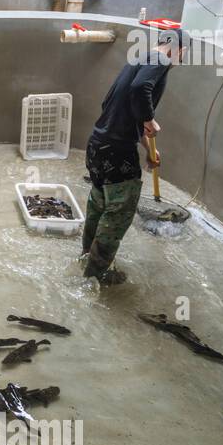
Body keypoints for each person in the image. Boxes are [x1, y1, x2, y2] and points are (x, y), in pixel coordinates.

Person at [81, 28, 183, 281]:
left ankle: (85, 258)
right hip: (118, 153)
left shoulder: (137, 60)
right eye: (183, 54)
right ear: (177, 49)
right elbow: (140, 90)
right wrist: (149, 118)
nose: (181, 60)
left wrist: (150, 149)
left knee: (99, 205)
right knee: (117, 214)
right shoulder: (160, 60)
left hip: (97, 145)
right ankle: (96, 275)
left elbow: (115, 107)